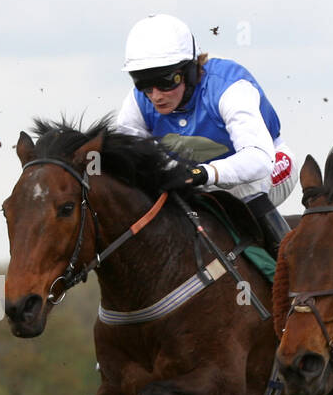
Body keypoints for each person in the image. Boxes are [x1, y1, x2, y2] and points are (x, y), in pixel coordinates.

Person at [116, 13, 294, 251]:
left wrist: (204, 172)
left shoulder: (229, 88)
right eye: (143, 83)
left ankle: (287, 271)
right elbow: (128, 158)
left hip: (270, 167)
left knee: (243, 188)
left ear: (190, 71)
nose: (155, 95)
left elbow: (259, 159)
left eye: (166, 81)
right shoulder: (139, 101)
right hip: (200, 179)